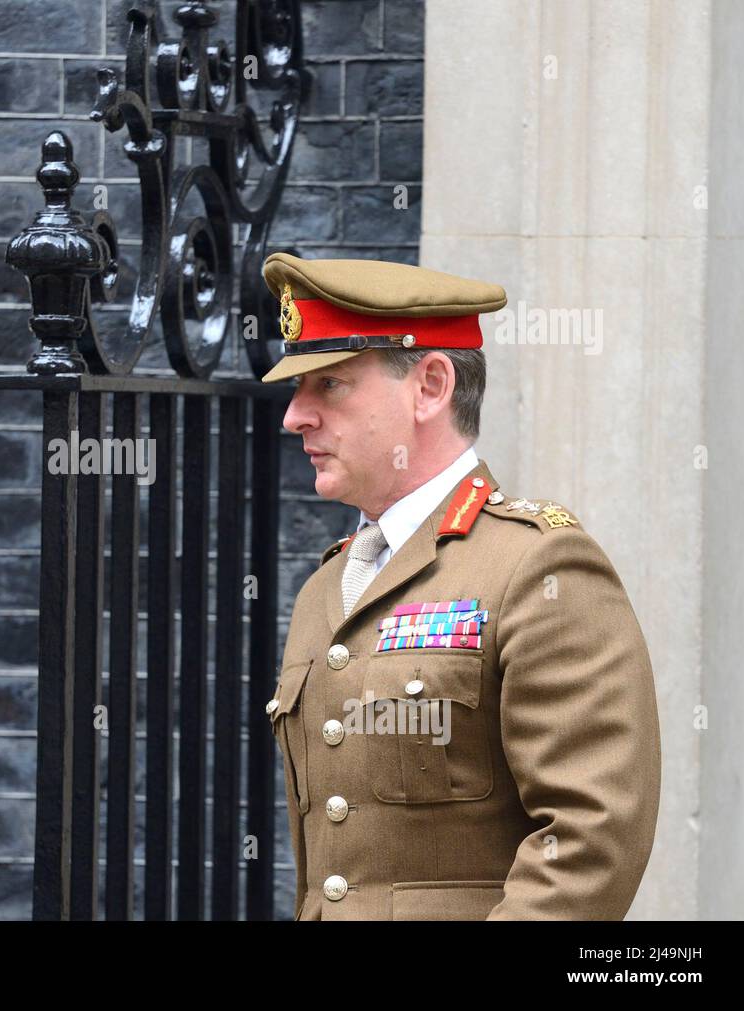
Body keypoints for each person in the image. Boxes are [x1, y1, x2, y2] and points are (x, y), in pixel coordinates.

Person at [260, 252, 662, 920]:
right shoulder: (326, 589)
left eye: (328, 384)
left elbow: (592, 835)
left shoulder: (537, 565)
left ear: (431, 386)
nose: (295, 415)